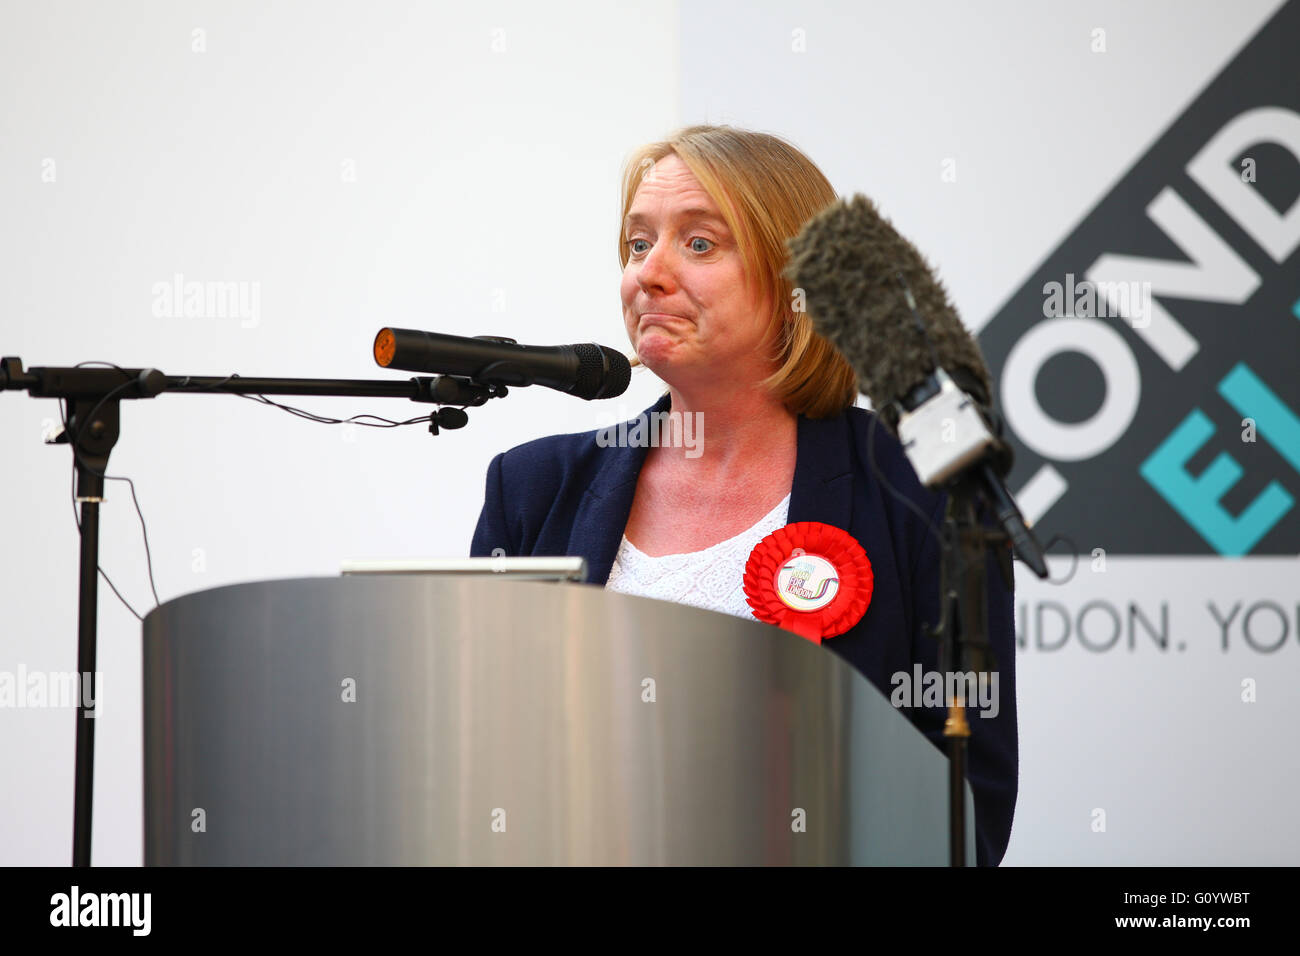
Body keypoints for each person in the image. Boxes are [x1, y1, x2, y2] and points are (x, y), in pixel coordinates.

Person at [471, 124, 1018, 865]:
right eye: (638, 245)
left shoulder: (922, 486)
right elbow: (486, 771)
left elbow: (966, 805)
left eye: (699, 244)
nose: (650, 273)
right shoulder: (533, 488)